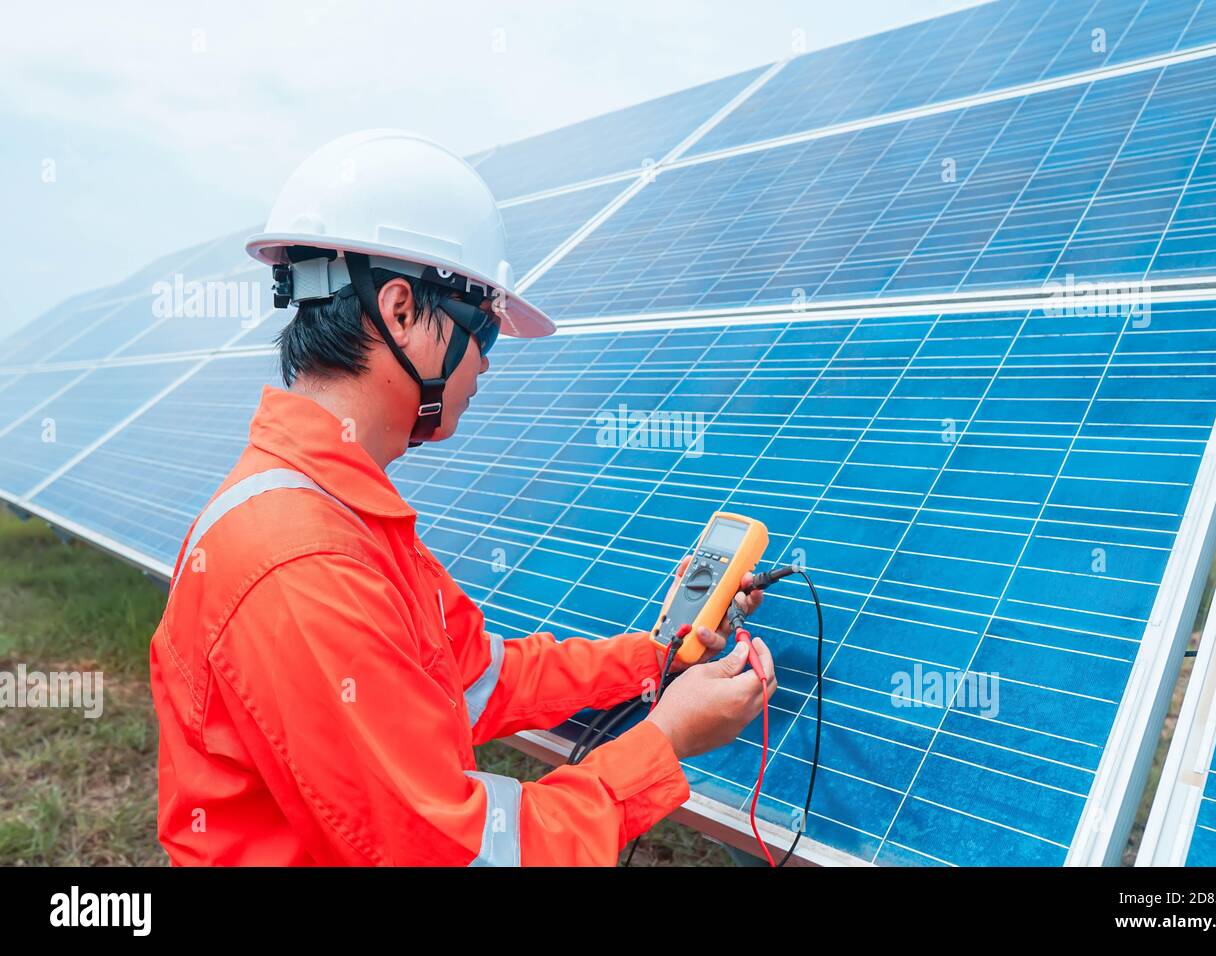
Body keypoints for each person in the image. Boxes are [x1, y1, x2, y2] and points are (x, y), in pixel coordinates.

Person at [149, 129, 776, 865]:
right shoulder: (303, 564)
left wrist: (654, 657)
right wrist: (665, 741)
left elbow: (480, 679)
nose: (485, 361)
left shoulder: (336, 510)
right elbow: (454, 854)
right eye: (484, 330)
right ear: (401, 309)